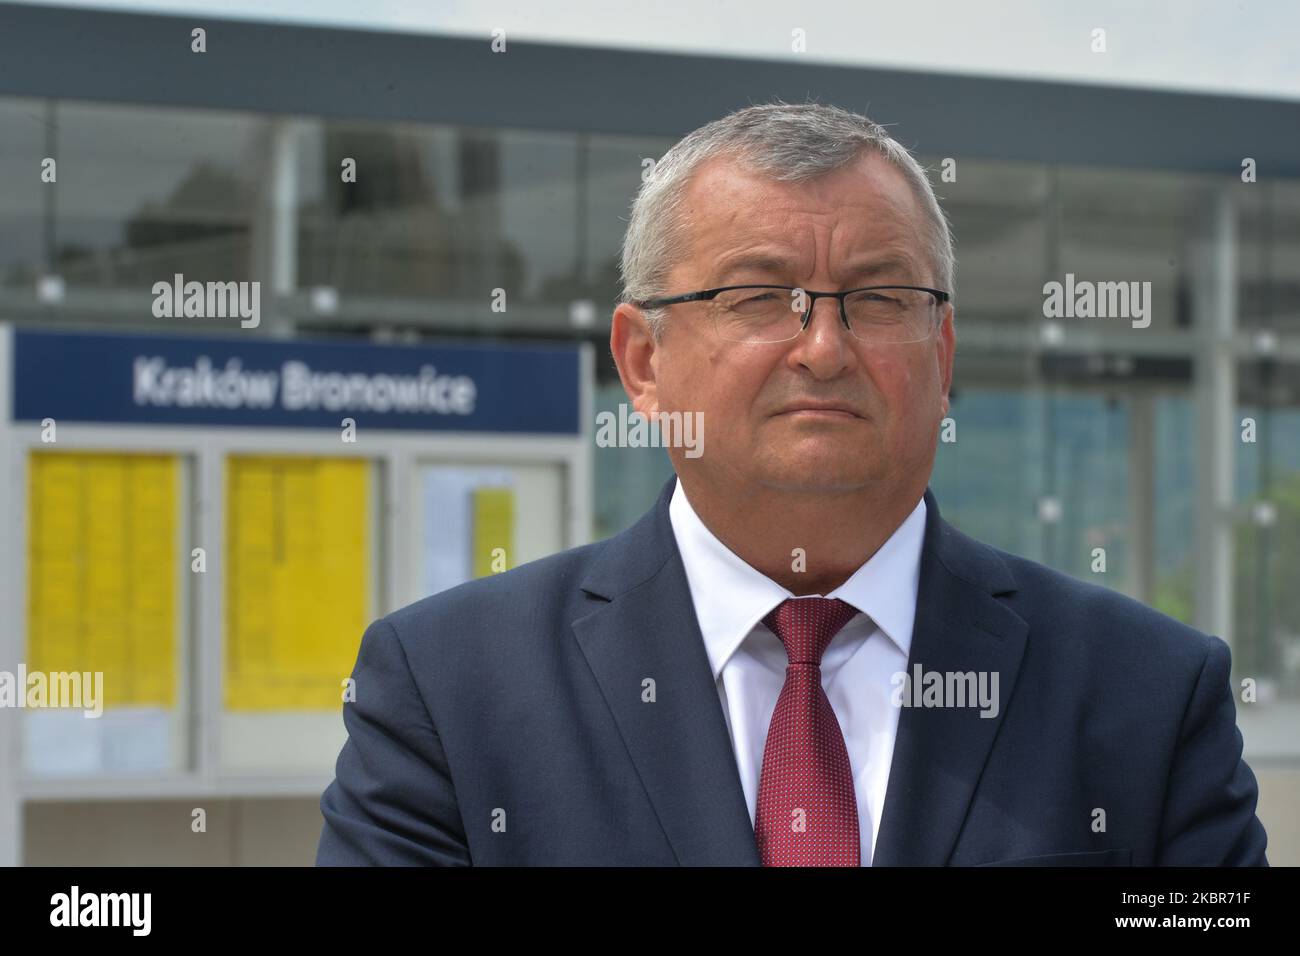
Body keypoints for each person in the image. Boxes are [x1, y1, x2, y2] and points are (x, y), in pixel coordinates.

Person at [316, 101, 1268, 866]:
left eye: (881, 298)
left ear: (942, 353)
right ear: (642, 362)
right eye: (758, 296)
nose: (822, 348)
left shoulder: (1146, 693)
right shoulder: (449, 689)